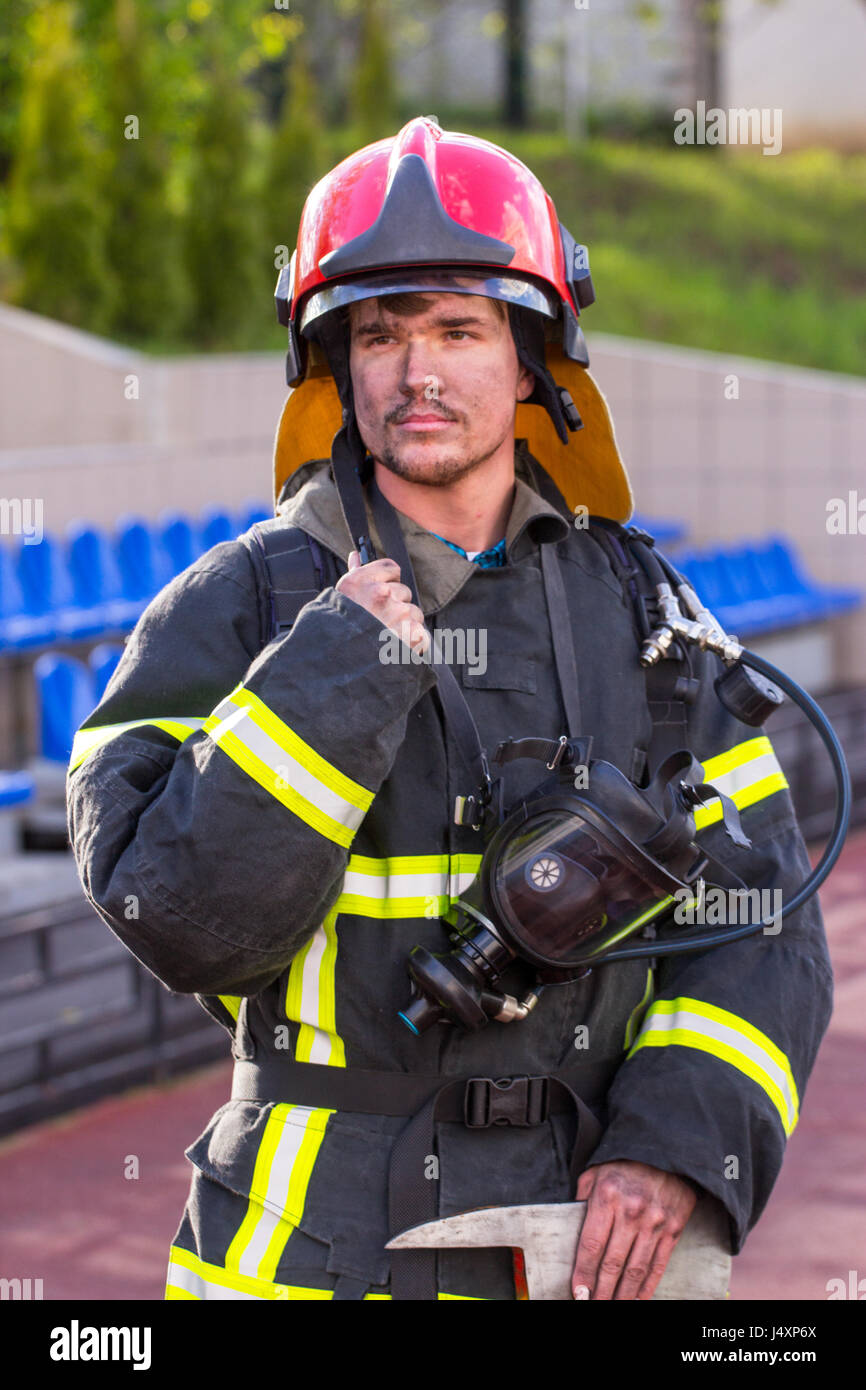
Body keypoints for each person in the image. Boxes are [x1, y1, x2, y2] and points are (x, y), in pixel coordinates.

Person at [66, 118, 832, 1302]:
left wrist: (676, 1147)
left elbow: (755, 915)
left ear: (529, 361)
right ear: (334, 366)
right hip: (303, 1251)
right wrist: (339, 668)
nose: (418, 372)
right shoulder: (237, 604)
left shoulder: (639, 606)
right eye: (380, 334)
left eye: (458, 330)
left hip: (579, 1235)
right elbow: (181, 921)